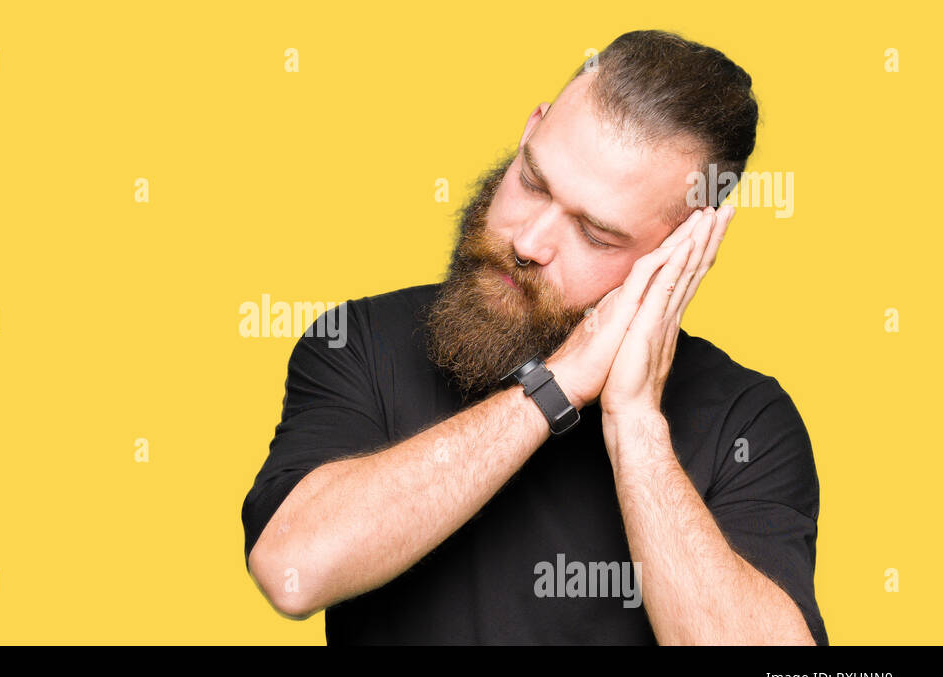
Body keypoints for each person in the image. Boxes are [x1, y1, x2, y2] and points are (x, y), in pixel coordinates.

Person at [240, 30, 827, 645]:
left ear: (679, 252)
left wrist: (635, 423)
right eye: (533, 182)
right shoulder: (359, 340)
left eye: (595, 234)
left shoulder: (749, 422)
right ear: (530, 131)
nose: (527, 242)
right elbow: (292, 573)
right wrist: (555, 389)